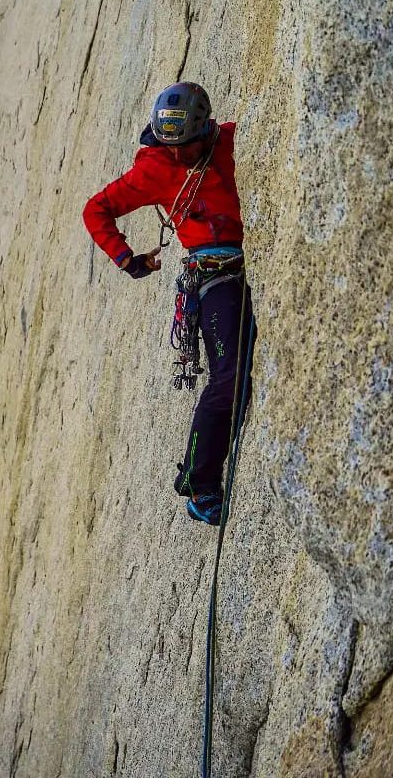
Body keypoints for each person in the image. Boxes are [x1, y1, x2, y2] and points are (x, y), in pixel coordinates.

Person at [82, 82, 256, 526]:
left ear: (205, 130)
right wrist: (127, 259)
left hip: (242, 259)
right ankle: (199, 485)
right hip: (213, 274)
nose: (177, 154)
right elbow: (96, 210)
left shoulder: (228, 140)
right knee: (229, 375)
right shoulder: (155, 167)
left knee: (234, 371)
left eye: (185, 146)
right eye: (169, 145)